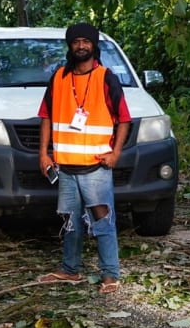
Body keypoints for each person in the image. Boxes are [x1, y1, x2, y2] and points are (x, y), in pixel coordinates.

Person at [36, 23, 130, 294]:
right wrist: (44, 154)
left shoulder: (106, 77)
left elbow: (124, 119)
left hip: (96, 168)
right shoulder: (59, 78)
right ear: (69, 46)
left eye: (85, 41)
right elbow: (45, 116)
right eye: (75, 41)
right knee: (70, 221)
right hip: (65, 167)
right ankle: (70, 270)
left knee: (103, 220)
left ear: (93, 45)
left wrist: (116, 153)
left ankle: (110, 275)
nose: (80, 46)